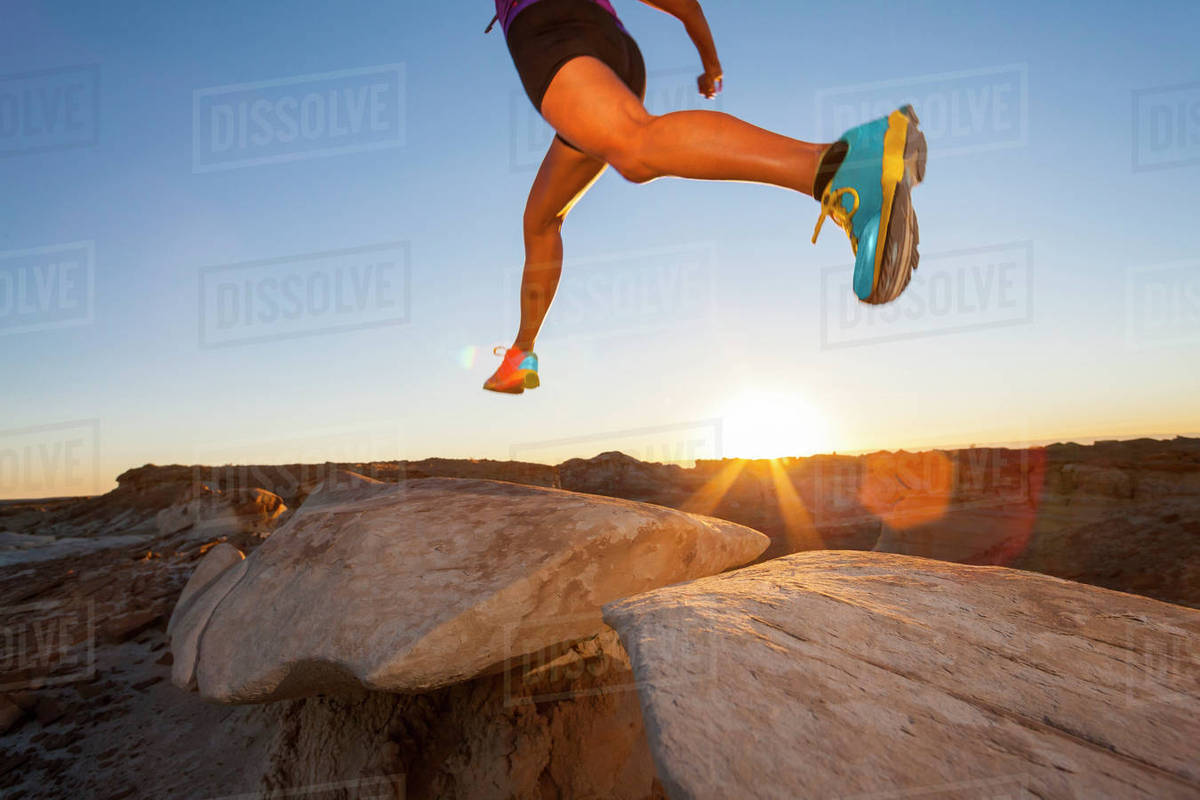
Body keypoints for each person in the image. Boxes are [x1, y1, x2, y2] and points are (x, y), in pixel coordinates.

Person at [483, 0, 926, 394]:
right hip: (613, 51)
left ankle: (838, 166)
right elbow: (687, 6)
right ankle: (522, 353)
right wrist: (711, 64)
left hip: (552, 32)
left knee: (635, 149)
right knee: (541, 219)